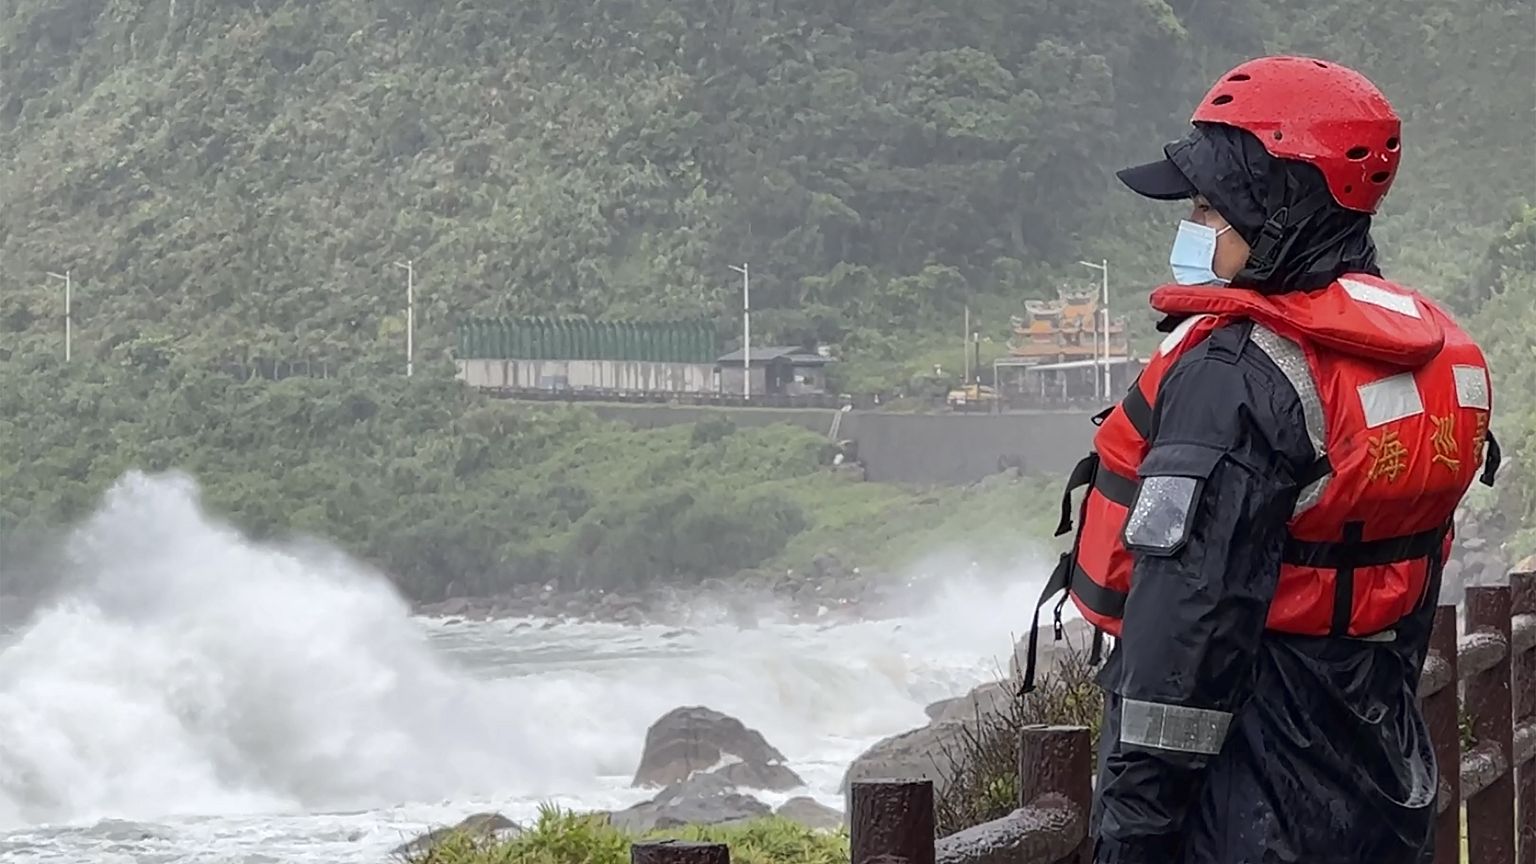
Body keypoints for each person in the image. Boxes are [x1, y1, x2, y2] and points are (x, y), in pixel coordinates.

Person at [1021, 55, 1502, 863]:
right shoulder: (1427, 361)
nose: (1193, 228)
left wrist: (1130, 835)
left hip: (1245, 810)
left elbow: (1184, 639)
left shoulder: (1237, 378)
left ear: (1277, 206)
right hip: (1383, 794)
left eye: (1209, 207)